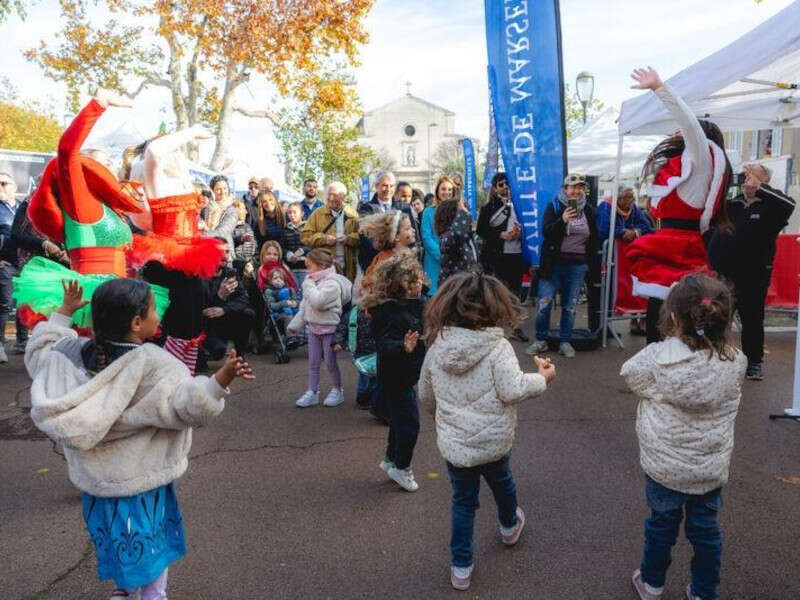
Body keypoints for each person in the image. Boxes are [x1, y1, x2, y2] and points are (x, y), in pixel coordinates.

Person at [25, 278, 253, 599]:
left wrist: (63, 312)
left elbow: (38, 356)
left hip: (99, 486)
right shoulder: (154, 364)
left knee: (122, 544)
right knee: (152, 547)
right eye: (153, 309)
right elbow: (187, 406)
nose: (158, 314)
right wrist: (219, 381)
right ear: (136, 322)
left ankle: (124, 590)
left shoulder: (68, 355)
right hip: (143, 483)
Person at [419, 271, 556, 591]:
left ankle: (461, 567)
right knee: (502, 481)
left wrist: (441, 417)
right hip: (494, 440)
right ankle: (509, 525)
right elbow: (514, 390)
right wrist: (544, 377)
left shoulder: (437, 347)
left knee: (463, 502)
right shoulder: (498, 347)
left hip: (456, 444)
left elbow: (425, 394)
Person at [621, 273, 746, 600]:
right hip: (709, 468)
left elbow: (631, 376)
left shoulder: (657, 358)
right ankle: (704, 591)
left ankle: (651, 584)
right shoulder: (736, 363)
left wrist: (659, 394)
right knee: (706, 531)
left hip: (665, 467)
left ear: (673, 316)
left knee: (661, 526)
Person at [624, 67, 733, 344]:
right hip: (666, 246)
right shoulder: (681, 170)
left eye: (681, 130)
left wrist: (660, 87)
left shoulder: (700, 161)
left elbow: (688, 124)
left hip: (680, 251)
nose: (676, 131)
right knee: (659, 326)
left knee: (675, 327)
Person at [708, 164, 795, 380]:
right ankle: (714, 359)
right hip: (726, 273)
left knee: (752, 319)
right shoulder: (733, 204)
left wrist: (760, 188)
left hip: (755, 273)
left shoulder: (772, 206)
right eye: (747, 175)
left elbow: (789, 205)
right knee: (718, 317)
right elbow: (710, 219)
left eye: (753, 175)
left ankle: (754, 362)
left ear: (764, 179)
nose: (748, 179)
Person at [360, 252, 426, 492]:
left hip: (405, 375)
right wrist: (402, 346)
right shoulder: (388, 311)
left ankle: (391, 460)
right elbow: (385, 342)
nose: (419, 284)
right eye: (413, 282)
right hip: (395, 377)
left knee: (400, 422)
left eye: (419, 280)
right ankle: (402, 467)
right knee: (409, 424)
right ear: (400, 286)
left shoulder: (413, 303)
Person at [526, 173, 599, 359]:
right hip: (554, 263)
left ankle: (565, 341)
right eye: (572, 187)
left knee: (570, 306)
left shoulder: (589, 211)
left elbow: (594, 239)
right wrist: (562, 220)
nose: (576, 191)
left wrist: (590, 264)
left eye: (579, 187)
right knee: (545, 303)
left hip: (577, 265)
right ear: (565, 189)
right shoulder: (555, 206)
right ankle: (541, 340)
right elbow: (547, 232)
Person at [288, 248, 352, 408]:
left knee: (330, 363)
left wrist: (308, 285)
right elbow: (305, 307)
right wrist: (295, 325)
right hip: (313, 329)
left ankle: (337, 390)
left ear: (321, 266)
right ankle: (312, 391)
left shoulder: (332, 284)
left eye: (309, 267)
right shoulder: (313, 282)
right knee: (313, 363)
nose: (307, 271)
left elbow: (318, 301)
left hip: (329, 330)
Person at [476, 171, 528, 342]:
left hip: (517, 255)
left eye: (508, 183)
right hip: (497, 256)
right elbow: (481, 230)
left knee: (516, 293)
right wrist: (501, 235)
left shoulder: (522, 205)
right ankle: (494, 327)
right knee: (497, 292)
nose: (505, 186)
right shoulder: (489, 207)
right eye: (501, 184)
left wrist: (520, 234)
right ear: (495, 188)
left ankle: (515, 326)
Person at [597, 187, 653, 336]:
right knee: (608, 292)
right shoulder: (606, 206)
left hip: (629, 259)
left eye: (632, 197)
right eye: (629, 198)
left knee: (633, 287)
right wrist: (622, 232)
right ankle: (603, 327)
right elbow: (603, 230)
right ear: (619, 198)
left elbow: (647, 227)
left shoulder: (633, 208)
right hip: (610, 259)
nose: (632, 201)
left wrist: (635, 232)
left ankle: (636, 321)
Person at [202, 249, 255, 362]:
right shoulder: (201, 275)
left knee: (248, 313)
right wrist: (219, 296)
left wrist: (224, 309)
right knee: (218, 350)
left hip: (225, 318)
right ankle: (202, 353)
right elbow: (202, 306)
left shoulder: (231, 273)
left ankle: (239, 356)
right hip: (205, 324)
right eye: (220, 252)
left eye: (226, 251)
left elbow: (243, 299)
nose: (225, 255)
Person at [301, 181, 360, 282]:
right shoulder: (317, 214)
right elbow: (305, 237)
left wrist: (349, 239)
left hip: (348, 268)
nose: (331, 198)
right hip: (325, 267)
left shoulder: (353, 214)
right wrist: (324, 239)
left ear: (343, 197)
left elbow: (362, 236)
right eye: (329, 194)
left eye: (335, 195)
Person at [0, 171, 24, 361]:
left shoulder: (24, 208)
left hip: (26, 264)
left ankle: (22, 342)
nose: (1, 187)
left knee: (25, 302)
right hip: (5, 265)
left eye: (4, 183)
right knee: (5, 305)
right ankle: (0, 345)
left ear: (14, 187)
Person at [421, 176, 456, 295]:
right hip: (434, 261)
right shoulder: (428, 212)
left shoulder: (458, 211)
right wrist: (441, 255)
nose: (447, 192)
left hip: (454, 260)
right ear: (437, 191)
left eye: (450, 189)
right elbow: (426, 237)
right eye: (443, 189)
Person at [436, 197, 479, 286]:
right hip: (453, 288)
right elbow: (456, 236)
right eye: (461, 211)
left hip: (468, 285)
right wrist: (462, 214)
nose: (467, 213)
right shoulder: (446, 236)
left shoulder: (469, 236)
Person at [203, 175, 239, 261]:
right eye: (218, 189)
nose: (222, 192)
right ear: (212, 191)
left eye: (225, 188)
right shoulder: (205, 209)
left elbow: (223, 232)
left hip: (224, 255)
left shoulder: (231, 210)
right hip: (206, 253)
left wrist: (201, 236)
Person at [283, 202, 309, 282]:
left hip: (306, 267)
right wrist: (288, 254)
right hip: (291, 268)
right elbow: (282, 247)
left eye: (294, 212)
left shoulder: (308, 228)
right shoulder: (285, 229)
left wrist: (301, 251)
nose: (292, 215)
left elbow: (312, 245)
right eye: (289, 212)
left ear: (302, 214)